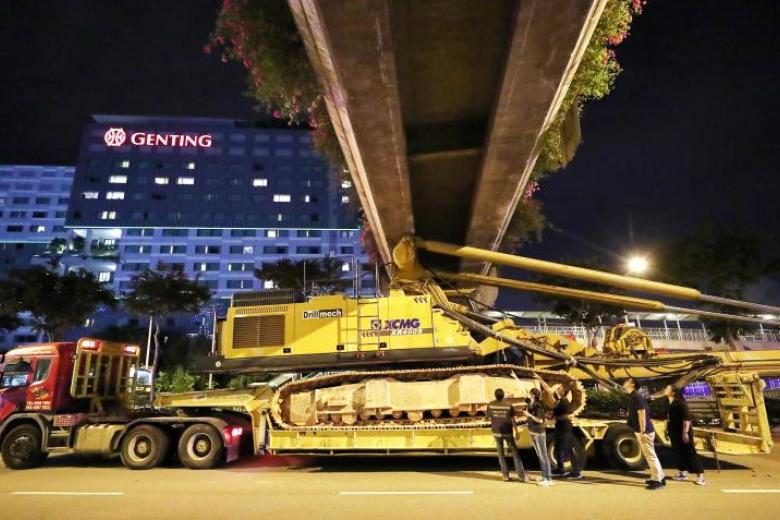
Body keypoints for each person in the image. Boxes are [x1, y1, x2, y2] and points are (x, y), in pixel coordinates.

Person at [624, 377, 665, 489]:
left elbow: (642, 414)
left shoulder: (637, 396)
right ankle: (658, 476)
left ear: (632, 384)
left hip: (644, 430)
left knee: (650, 455)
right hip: (642, 430)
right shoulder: (634, 396)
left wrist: (642, 431)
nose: (625, 382)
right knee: (649, 455)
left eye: (627, 381)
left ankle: (658, 481)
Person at [664, 385, 706, 485]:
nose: (665, 389)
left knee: (689, 453)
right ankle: (682, 473)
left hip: (682, 431)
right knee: (678, 453)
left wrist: (685, 432)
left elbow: (686, 418)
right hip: (674, 431)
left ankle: (700, 476)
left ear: (673, 392)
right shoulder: (671, 402)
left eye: (668, 388)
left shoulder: (681, 403)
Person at [486, 388, 527, 482]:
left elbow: (489, 416)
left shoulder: (490, 404)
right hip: (507, 432)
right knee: (515, 454)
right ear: (503, 395)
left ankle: (505, 476)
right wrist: (516, 430)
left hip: (496, 432)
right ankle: (521, 476)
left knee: (501, 454)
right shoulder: (509, 405)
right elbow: (513, 419)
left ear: (495, 395)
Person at [523, 387, 554, 486]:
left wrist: (529, 415)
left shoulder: (539, 405)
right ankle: (544, 476)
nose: (528, 394)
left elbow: (540, 420)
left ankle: (548, 479)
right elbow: (527, 401)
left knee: (544, 456)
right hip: (533, 431)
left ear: (533, 394)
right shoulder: (531, 403)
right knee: (539, 455)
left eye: (529, 393)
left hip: (539, 432)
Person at [551, 384, 583, 479]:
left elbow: (567, 415)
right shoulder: (559, 401)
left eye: (559, 390)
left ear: (563, 392)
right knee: (558, 448)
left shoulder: (565, 401)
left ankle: (576, 472)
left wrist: (555, 416)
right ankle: (560, 469)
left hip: (565, 427)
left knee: (567, 449)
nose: (556, 391)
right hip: (559, 426)